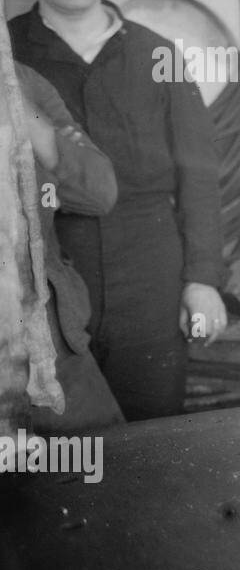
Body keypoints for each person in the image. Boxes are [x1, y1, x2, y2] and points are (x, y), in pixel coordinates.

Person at [1, 0, 227, 420]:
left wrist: (202, 281)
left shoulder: (158, 54)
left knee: (155, 433)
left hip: (149, 269)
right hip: (45, 274)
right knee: (64, 447)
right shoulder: (9, 60)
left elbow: (199, 175)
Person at [16, 60, 125, 430]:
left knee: (105, 471)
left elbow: (99, 193)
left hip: (47, 340)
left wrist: (26, 116)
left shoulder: (22, 80)